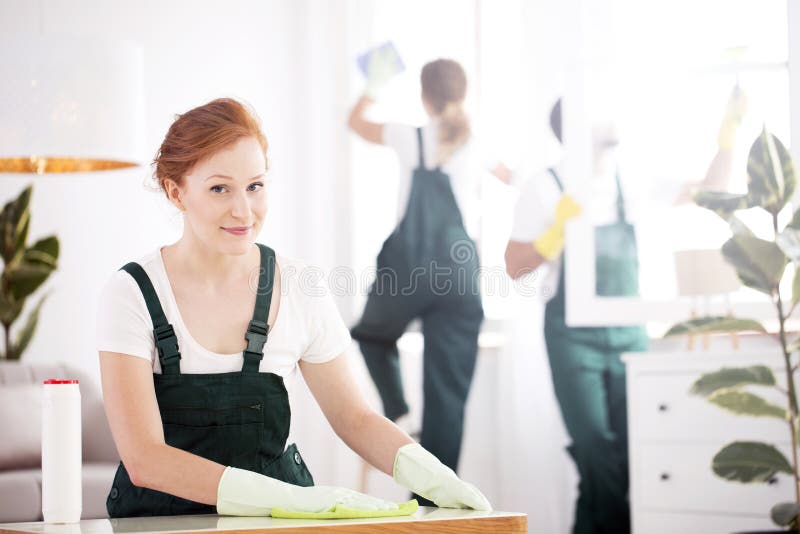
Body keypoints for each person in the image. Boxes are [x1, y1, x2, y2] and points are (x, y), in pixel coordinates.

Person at [96, 97, 491, 518]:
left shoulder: (300, 286)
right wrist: (286, 499)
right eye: (219, 188)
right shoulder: (133, 292)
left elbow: (353, 417)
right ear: (177, 192)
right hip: (161, 524)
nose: (243, 210)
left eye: (255, 186)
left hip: (279, 527)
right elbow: (144, 458)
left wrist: (436, 478)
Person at [504, 90, 747, 534]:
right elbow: (513, 267)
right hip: (572, 340)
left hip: (629, 336)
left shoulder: (628, 180)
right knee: (596, 451)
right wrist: (550, 237)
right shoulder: (544, 186)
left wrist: (728, 137)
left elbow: (712, 192)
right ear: (573, 131)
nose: (609, 124)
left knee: (630, 456)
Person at [346, 58, 511, 505]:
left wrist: (375, 81)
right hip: (458, 274)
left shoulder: (409, 134)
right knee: (449, 395)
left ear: (424, 96)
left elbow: (356, 123)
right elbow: (512, 177)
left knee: (371, 334)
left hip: (409, 267)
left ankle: (398, 411)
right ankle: (436, 506)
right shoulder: (475, 141)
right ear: (463, 94)